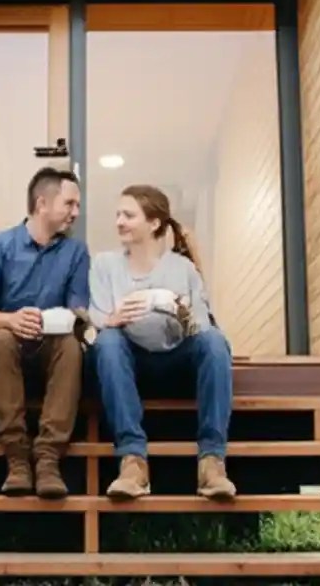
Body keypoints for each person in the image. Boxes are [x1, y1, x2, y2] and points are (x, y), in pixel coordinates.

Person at [87, 184, 236, 501]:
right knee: (108, 342)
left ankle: (212, 462)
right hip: (128, 363)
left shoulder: (183, 269)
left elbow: (199, 328)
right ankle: (133, 462)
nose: (119, 222)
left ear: (154, 223)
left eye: (128, 215)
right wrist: (112, 319)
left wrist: (172, 305)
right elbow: (97, 319)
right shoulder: (104, 265)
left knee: (215, 342)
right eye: (118, 215)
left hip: (176, 361)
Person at [0, 166, 90, 500]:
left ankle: (48, 460)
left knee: (70, 345)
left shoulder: (76, 253)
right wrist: (11, 320)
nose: (76, 212)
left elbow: (80, 311)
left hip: (49, 361)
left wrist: (73, 318)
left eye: (78, 205)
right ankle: (17, 460)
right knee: (2, 339)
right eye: (70, 204)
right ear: (42, 203)